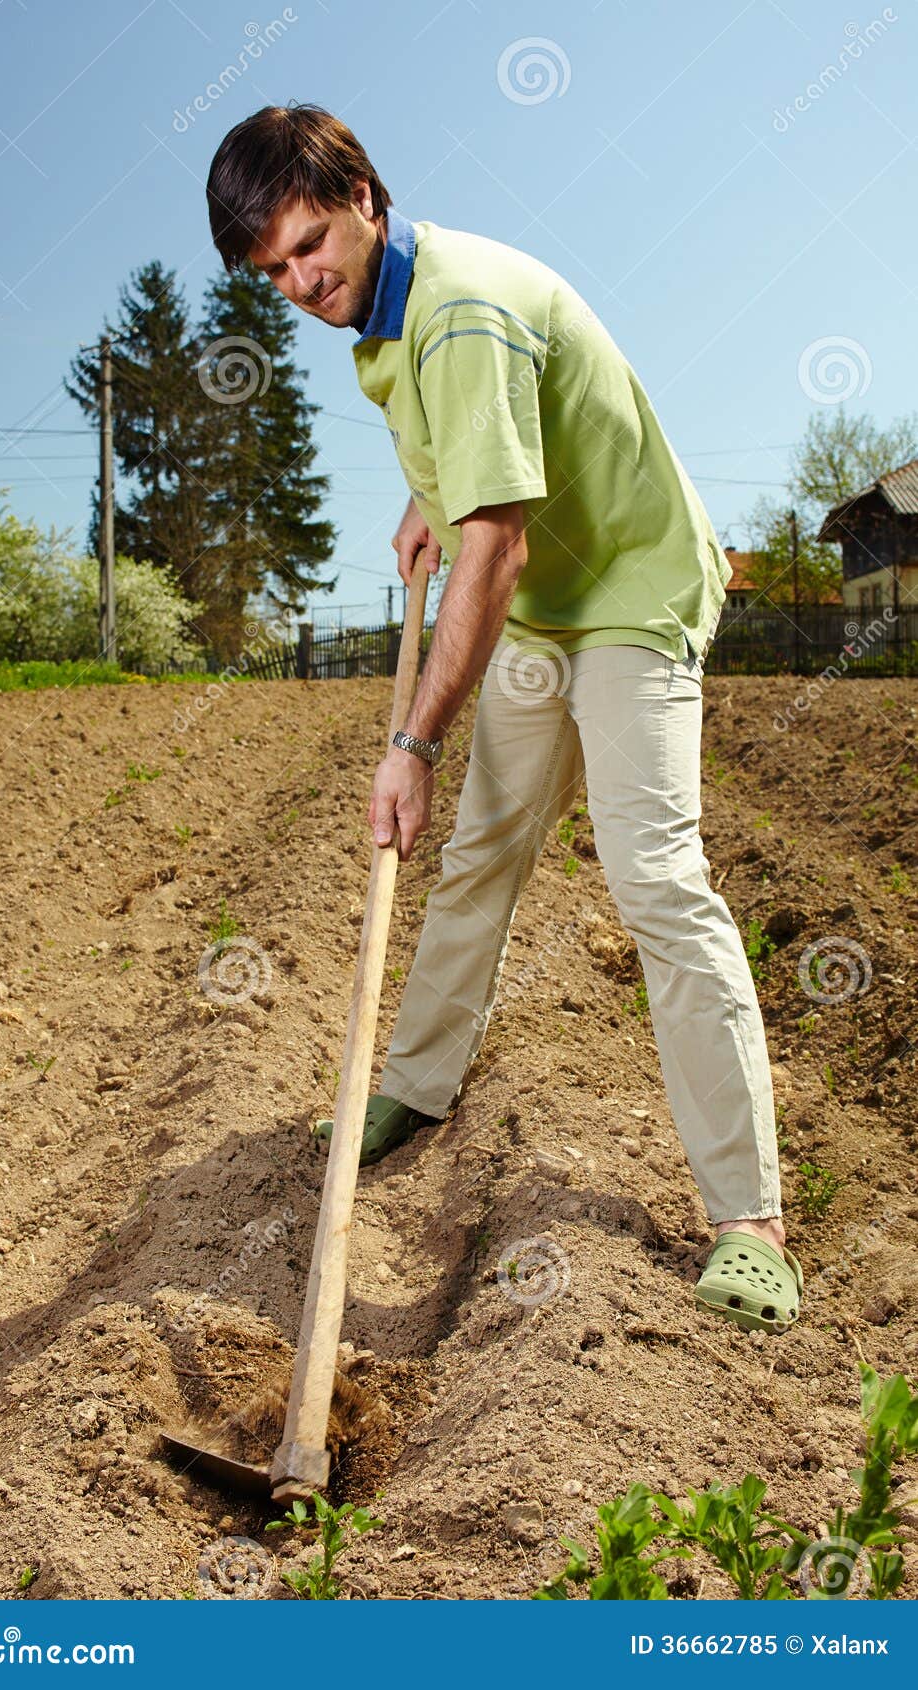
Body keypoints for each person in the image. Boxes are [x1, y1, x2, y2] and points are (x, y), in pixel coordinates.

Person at [206, 103, 802, 1335]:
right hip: (545, 603)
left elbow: (498, 540)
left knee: (654, 878)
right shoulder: (381, 315)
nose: (302, 282)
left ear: (365, 197)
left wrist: (411, 744)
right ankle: (413, 1085)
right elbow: (471, 468)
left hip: (627, 592)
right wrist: (428, 487)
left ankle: (748, 1217)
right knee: (483, 851)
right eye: (273, 270)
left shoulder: (459, 310)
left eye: (313, 243)